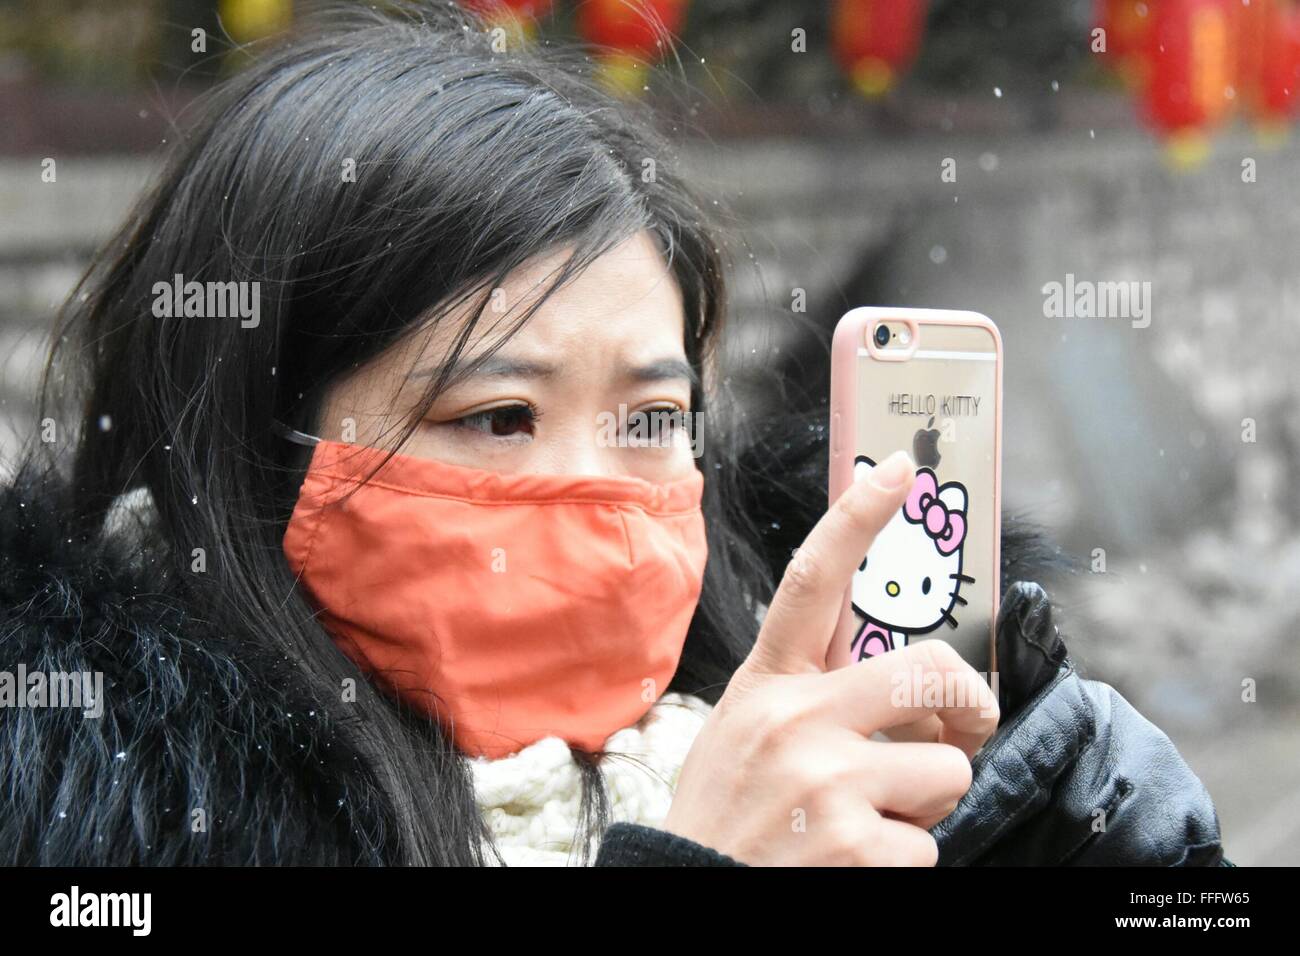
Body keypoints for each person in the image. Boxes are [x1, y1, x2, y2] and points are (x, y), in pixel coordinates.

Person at [0, 1, 1225, 866]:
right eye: (498, 416)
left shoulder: (824, 758)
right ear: (248, 452)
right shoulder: (110, 833)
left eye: (649, 417)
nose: (597, 493)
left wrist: (1067, 812)